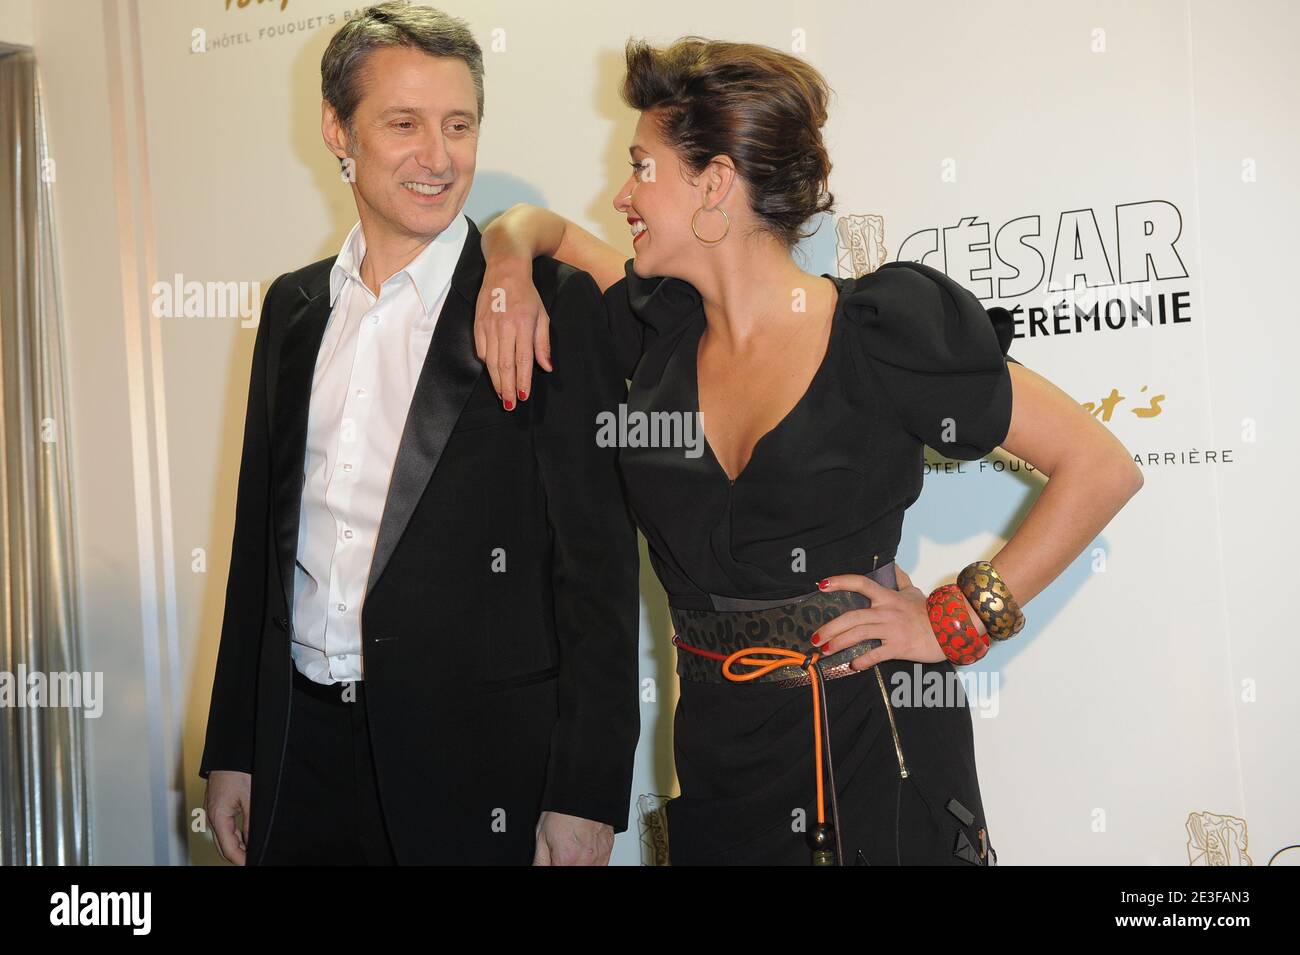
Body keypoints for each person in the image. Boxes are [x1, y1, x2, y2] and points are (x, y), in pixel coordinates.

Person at [474, 37, 1143, 864]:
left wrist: (959, 620)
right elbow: (534, 227)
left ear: (716, 183)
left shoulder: (879, 332)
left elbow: (1102, 465)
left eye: (643, 168)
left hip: (874, 738)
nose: (622, 194)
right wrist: (504, 263)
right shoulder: (659, 331)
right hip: (720, 757)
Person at [198, 2, 640, 866]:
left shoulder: (543, 301)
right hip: (301, 753)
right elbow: (261, 546)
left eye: (459, 125)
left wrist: (585, 792)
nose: (438, 158)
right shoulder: (291, 309)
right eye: (403, 124)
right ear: (338, 129)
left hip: (483, 775)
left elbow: (597, 568)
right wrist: (236, 745)